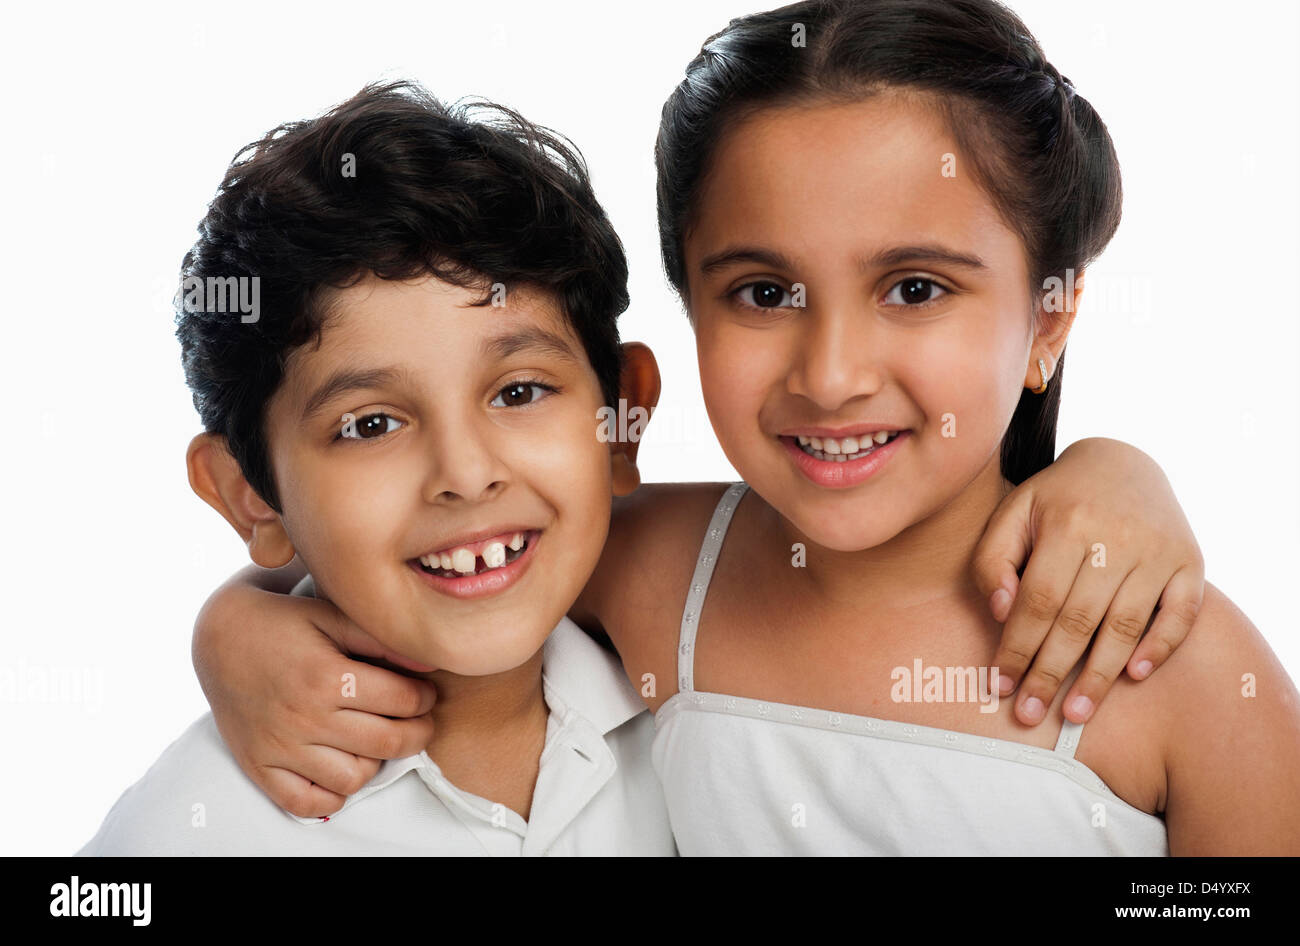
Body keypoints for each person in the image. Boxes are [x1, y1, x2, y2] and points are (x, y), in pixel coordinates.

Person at [78, 82, 674, 856]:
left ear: (620, 419)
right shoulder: (183, 834)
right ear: (249, 495)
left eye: (519, 391)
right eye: (370, 425)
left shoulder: (711, 719)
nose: (464, 473)